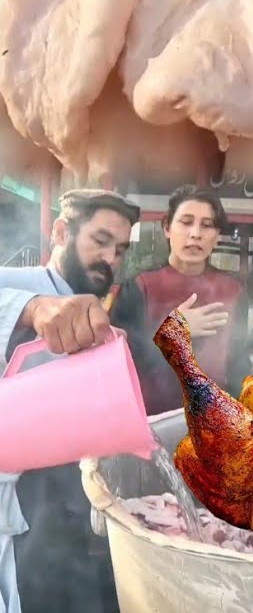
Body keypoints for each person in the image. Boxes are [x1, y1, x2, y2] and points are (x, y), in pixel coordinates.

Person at [0, 189, 141, 613]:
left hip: (66, 506)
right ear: (60, 231)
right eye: (100, 241)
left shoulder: (98, 307)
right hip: (23, 509)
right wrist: (35, 308)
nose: (110, 259)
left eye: (119, 249)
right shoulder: (20, 284)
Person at [111, 186, 248, 414]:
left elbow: (239, 364)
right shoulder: (140, 286)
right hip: (152, 419)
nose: (195, 233)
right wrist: (173, 331)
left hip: (214, 422)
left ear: (216, 236)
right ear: (167, 228)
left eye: (207, 225)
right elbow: (117, 357)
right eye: (186, 222)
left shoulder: (233, 292)